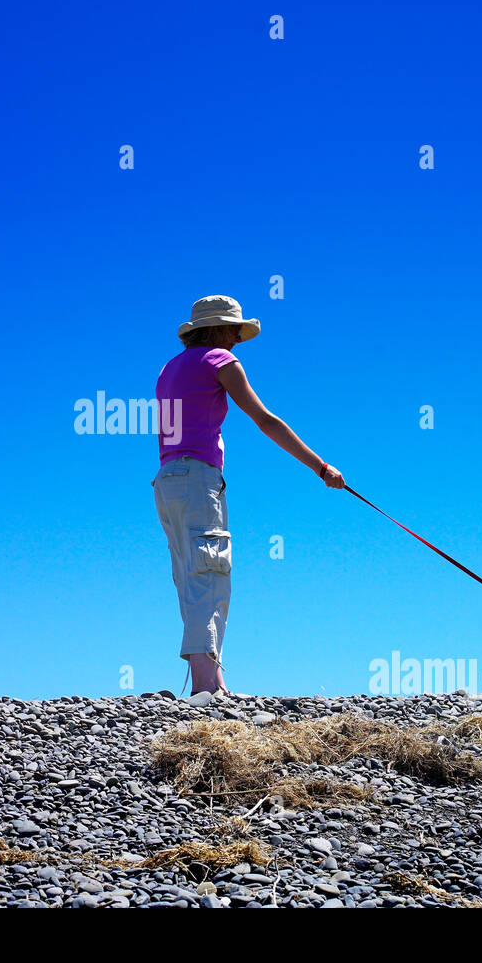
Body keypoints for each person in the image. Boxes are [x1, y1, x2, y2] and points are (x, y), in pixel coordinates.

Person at [152, 295, 346, 695]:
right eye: (235, 330)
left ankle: (208, 679)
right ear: (219, 329)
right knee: (211, 574)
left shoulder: (169, 369)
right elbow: (265, 420)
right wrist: (321, 467)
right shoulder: (220, 361)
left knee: (189, 577)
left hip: (166, 479)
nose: (238, 339)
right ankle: (208, 687)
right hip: (198, 478)